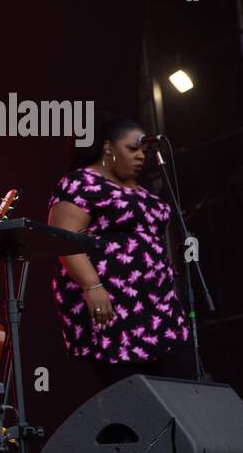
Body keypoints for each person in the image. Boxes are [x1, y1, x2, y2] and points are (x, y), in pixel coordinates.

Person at [47, 114, 193, 386]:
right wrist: (92, 286)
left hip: (158, 306)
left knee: (181, 386)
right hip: (112, 303)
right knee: (132, 394)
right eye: (133, 148)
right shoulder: (81, 182)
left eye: (145, 151)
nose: (141, 156)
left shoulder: (139, 190)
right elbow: (64, 239)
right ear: (108, 147)